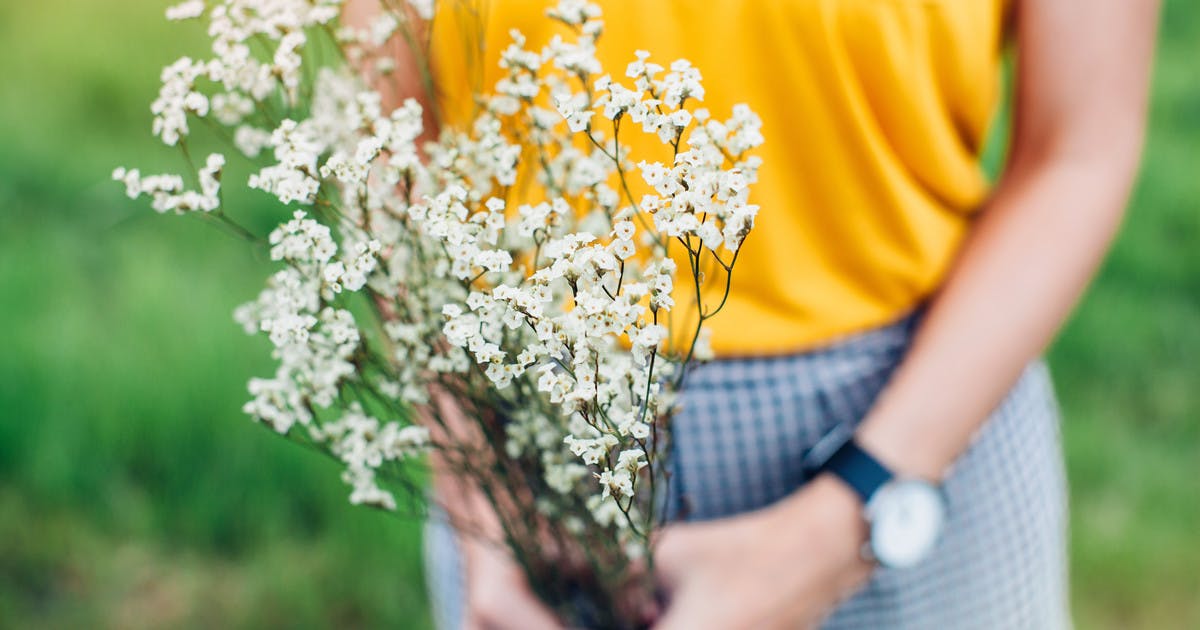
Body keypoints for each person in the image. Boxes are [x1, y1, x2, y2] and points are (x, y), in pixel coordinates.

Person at [344, 0, 1160, 628]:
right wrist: (482, 506)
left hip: (922, 415)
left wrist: (855, 513)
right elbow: (387, 150)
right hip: (536, 455)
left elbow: (1077, 146)